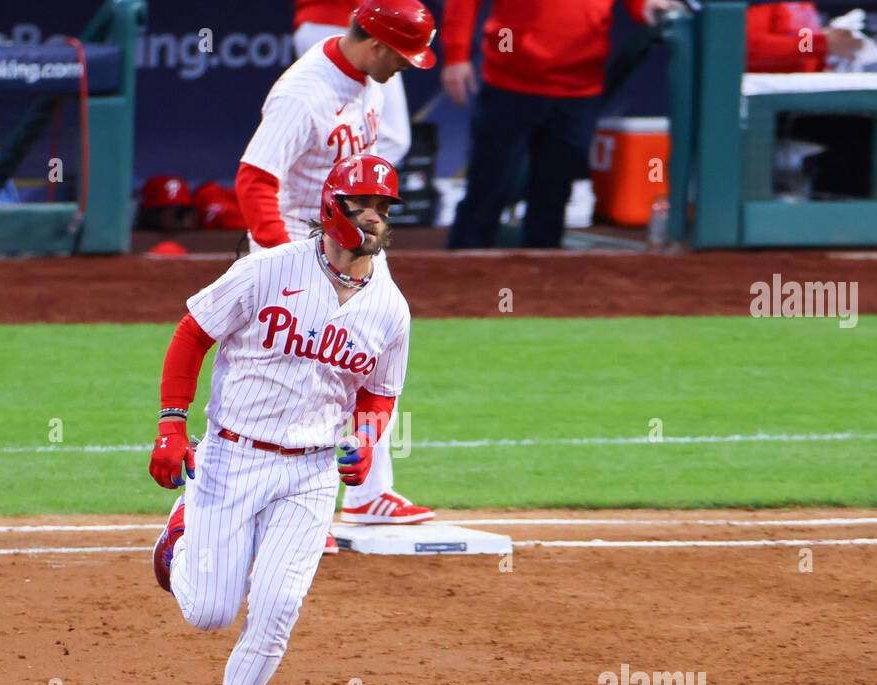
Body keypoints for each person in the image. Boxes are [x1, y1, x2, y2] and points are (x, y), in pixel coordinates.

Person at [148, 154, 413, 685]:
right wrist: (171, 424)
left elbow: (379, 396)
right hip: (231, 458)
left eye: (383, 207)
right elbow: (192, 334)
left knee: (277, 606)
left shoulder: (392, 310)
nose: (373, 217)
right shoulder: (267, 270)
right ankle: (181, 533)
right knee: (210, 612)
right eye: (361, 205)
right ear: (332, 208)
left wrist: (366, 442)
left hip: (311, 474)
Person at [236, 0, 439, 537]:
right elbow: (255, 180)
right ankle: (284, 506)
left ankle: (368, 494)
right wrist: (285, 265)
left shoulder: (365, 77)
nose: (405, 66)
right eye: (402, 55)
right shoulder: (304, 94)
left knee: (373, 358)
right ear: (375, 44)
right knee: (292, 374)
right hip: (296, 243)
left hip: (353, 242)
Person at [441, 0, 681, 249]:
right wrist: (456, 55)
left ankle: (542, 278)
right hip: (509, 85)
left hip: (579, 89)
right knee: (490, 188)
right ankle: (460, 271)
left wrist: (645, 4)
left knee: (553, 196)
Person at [292, 0, 412, 168]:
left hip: (334, 23)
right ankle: (334, 186)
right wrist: (368, 11)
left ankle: (330, 185)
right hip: (350, 25)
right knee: (391, 138)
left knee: (340, 134)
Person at [745, 2, 866, 72]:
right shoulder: (761, 5)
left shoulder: (806, 4)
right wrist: (822, 43)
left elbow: (806, 53)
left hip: (802, 97)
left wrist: (828, 63)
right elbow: (748, 47)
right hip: (765, 100)